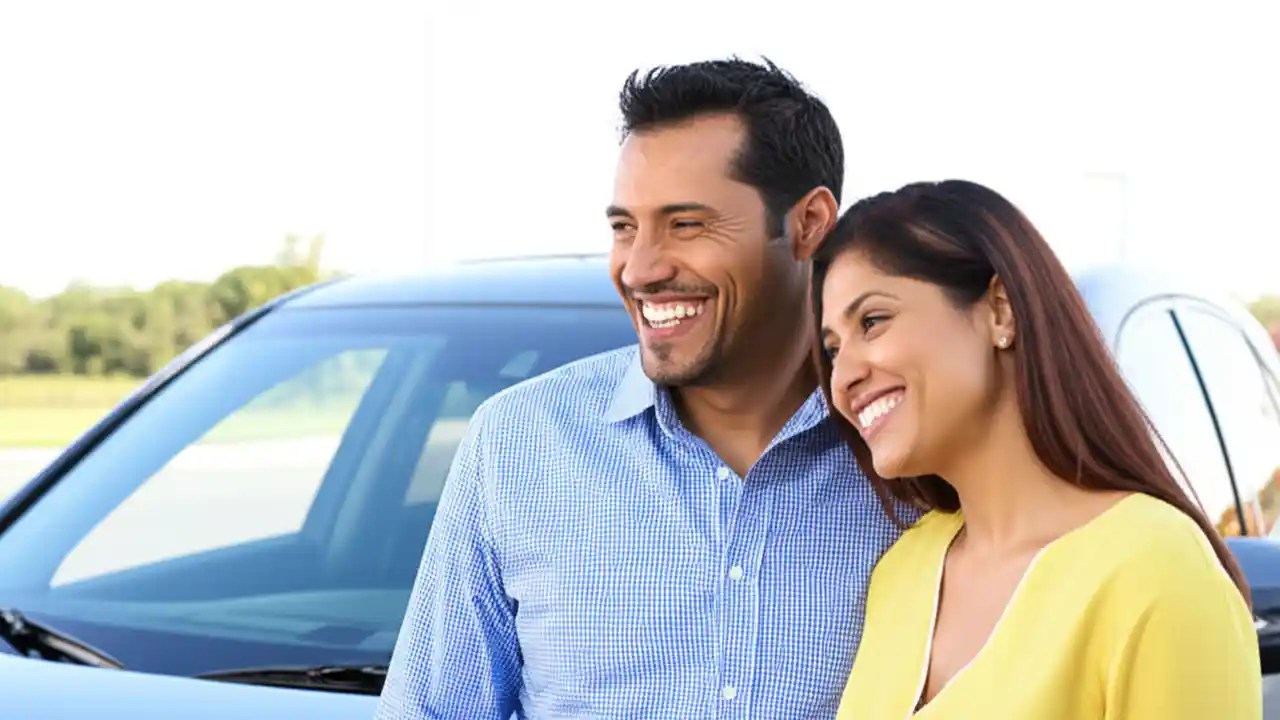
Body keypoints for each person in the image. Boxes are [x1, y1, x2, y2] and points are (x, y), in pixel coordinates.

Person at [374, 57, 909, 720]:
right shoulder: (517, 442)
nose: (641, 267)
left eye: (686, 225)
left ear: (809, 223)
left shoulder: (910, 451)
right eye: (624, 227)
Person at [813, 179, 1261, 718]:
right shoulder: (902, 571)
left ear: (1000, 310)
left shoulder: (1157, 570)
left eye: (873, 322)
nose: (844, 378)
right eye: (833, 349)